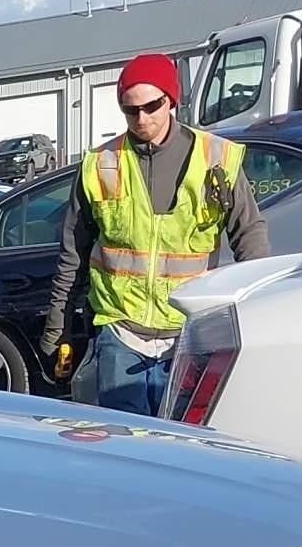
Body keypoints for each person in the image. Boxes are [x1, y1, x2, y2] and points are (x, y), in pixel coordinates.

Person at [39, 52, 268, 415]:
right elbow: (73, 254)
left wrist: (258, 317)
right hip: (120, 331)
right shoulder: (100, 165)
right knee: (128, 447)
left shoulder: (216, 161)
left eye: (152, 106)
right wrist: (57, 328)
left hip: (190, 333)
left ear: (171, 100)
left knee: (183, 445)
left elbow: (249, 238)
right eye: (131, 110)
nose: (142, 118)